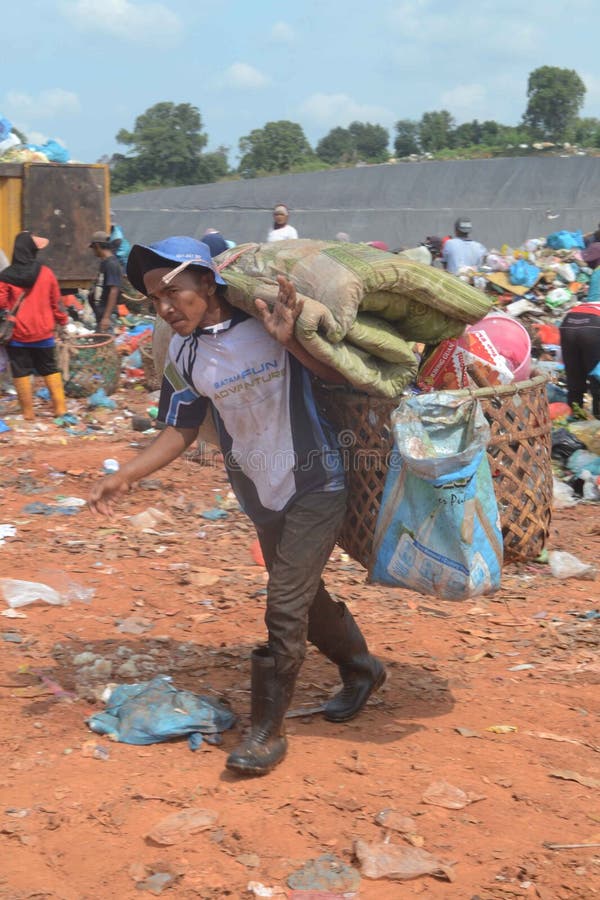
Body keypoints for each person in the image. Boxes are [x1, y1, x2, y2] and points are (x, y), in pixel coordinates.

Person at [88, 236, 385, 777]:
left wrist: (291, 341)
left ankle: (267, 730)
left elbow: (341, 377)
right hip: (259, 487)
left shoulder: (266, 324)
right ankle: (361, 667)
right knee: (303, 595)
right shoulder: (182, 351)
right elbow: (179, 428)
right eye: (155, 300)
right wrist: (125, 474)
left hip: (317, 477)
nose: (165, 308)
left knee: (283, 603)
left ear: (206, 282)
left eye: (172, 292)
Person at [0, 231, 68, 420]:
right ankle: (60, 409)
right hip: (44, 333)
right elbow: (56, 303)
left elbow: (1, 302)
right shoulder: (46, 273)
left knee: (21, 370)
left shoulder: (6, 275)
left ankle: (28, 413)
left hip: (18, 335)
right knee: (50, 368)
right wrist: (62, 321)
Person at [560, 242, 600, 418]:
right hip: (593, 322)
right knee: (597, 379)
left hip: (571, 318)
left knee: (574, 381)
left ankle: (572, 423)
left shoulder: (597, 273)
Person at [89, 230, 122, 332]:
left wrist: (106, 317)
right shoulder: (105, 263)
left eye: (93, 248)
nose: (93, 251)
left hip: (107, 316)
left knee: (106, 346)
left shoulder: (111, 264)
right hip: (101, 314)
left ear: (98, 246)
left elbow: (114, 290)